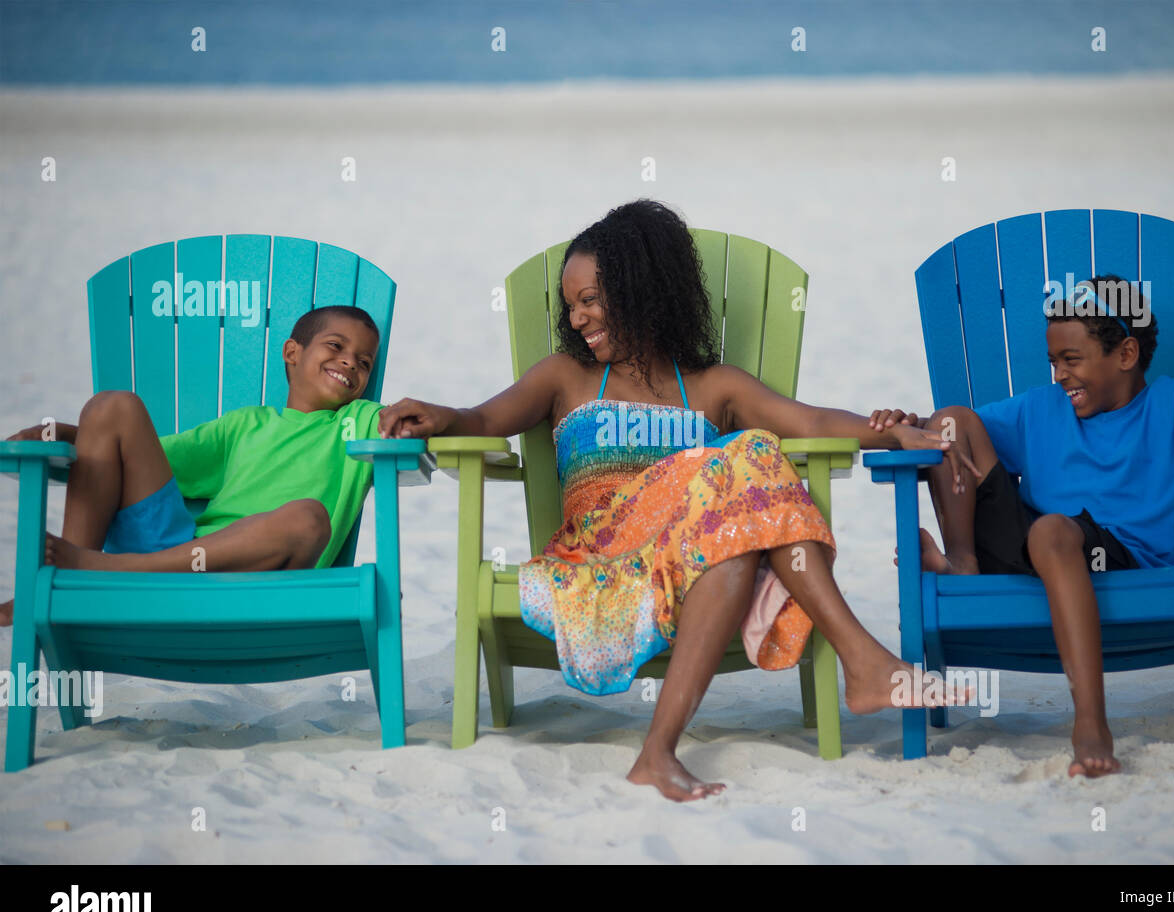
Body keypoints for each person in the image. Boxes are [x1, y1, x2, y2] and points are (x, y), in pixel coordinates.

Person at [379, 199, 977, 802]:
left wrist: (888, 431)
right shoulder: (567, 375)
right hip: (597, 556)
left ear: (641, 287)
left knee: (738, 541)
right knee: (748, 453)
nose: (579, 317)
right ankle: (866, 661)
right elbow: (484, 418)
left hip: (686, 562)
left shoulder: (715, 386)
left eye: (590, 299)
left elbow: (810, 419)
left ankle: (657, 754)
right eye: (571, 306)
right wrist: (444, 415)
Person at [886, 275, 1174, 778]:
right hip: (1037, 555)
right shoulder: (1041, 409)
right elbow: (947, 431)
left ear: (1125, 354)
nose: (1059, 374)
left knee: (1052, 532)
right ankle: (964, 565)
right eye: (1054, 361)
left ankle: (1092, 723)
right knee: (953, 422)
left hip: (1126, 559)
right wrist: (907, 424)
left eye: (1071, 360)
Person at [0, 305, 388, 628]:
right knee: (113, 406)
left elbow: (420, 424)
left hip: (258, 580)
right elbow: (136, 453)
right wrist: (63, 434)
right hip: (181, 552)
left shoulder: (358, 423)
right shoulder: (246, 425)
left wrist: (442, 416)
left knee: (308, 517)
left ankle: (99, 570)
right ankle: (64, 588)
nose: (349, 363)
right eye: (335, 346)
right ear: (292, 353)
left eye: (364, 362)